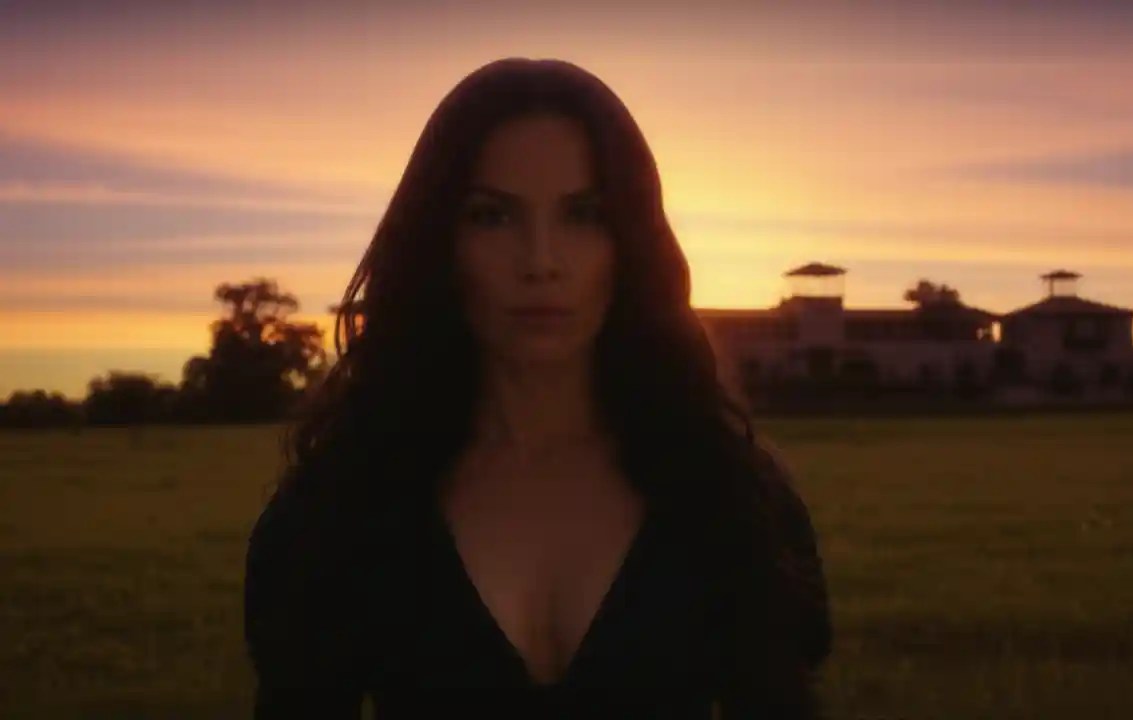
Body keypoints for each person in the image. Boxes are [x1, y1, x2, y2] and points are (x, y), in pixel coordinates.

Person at [243, 56, 832, 719]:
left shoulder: (730, 494)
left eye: (585, 214)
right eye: (491, 216)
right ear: (439, 240)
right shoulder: (339, 503)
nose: (541, 261)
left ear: (631, 241)